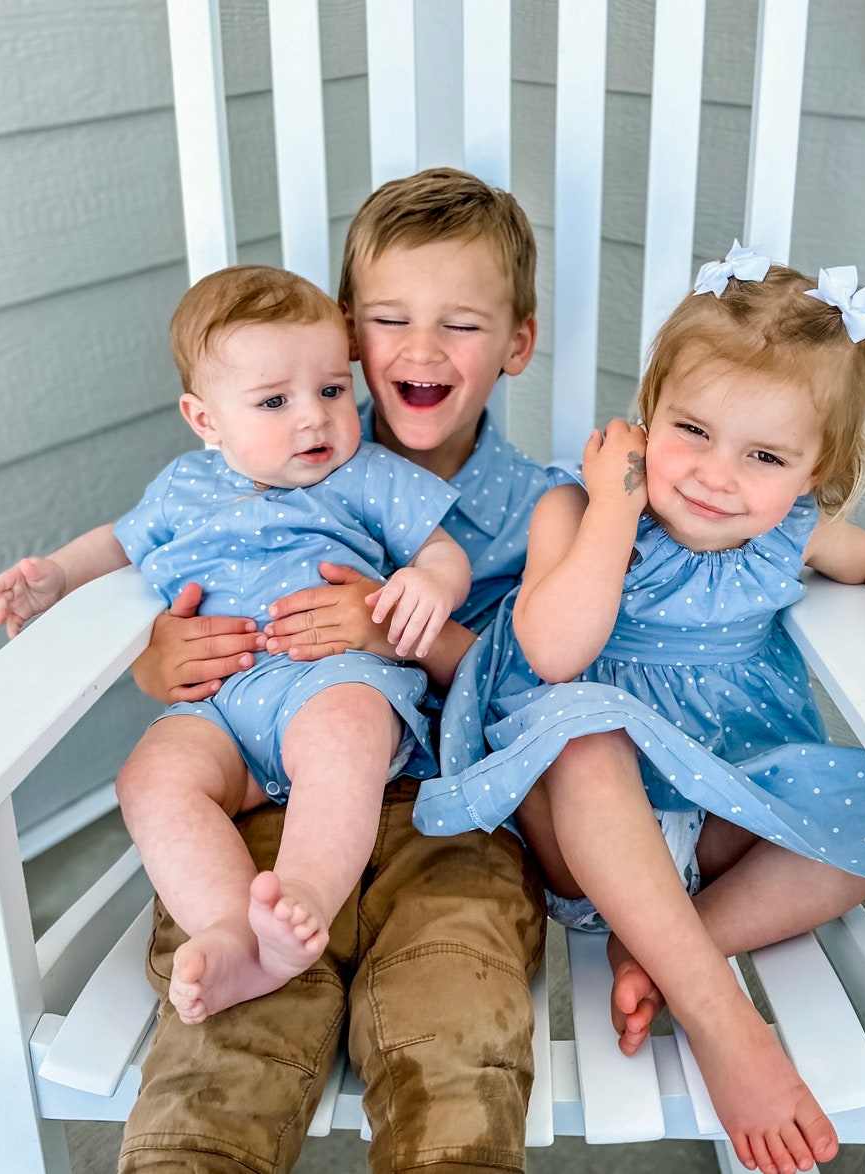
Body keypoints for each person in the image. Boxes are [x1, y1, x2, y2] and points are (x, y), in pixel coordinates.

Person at [412, 246, 865, 1174]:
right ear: (645, 414)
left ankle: (673, 952)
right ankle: (722, 1018)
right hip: (581, 832)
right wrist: (615, 511)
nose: (716, 475)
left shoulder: (793, 531)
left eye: (765, 456)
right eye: (692, 431)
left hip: (722, 835)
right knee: (585, 730)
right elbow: (554, 653)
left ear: (814, 470)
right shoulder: (574, 511)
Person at [113, 170, 572, 1174]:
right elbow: (184, 568)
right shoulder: (273, 448)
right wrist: (159, 657)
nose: (419, 350)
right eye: (389, 320)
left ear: (517, 344)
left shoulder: (545, 507)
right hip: (265, 804)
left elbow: (549, 683)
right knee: (227, 1023)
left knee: (455, 1011)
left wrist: (400, 633)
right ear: (346, 330)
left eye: (460, 325)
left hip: (452, 814)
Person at [0, 264, 473, 1021]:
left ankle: (304, 891)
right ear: (204, 419)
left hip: (331, 675)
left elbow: (441, 552)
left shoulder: (369, 473)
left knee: (345, 733)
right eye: (275, 401)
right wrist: (52, 575)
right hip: (219, 706)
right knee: (150, 777)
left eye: (332, 390)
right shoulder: (182, 489)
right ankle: (230, 932)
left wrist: (431, 586)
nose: (313, 418)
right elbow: (117, 543)